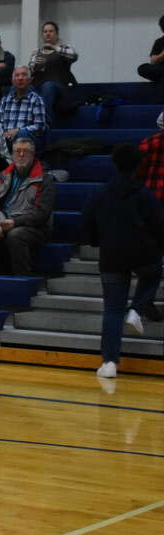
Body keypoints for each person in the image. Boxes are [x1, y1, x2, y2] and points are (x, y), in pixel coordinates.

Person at [82, 143, 164, 379]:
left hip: (111, 256)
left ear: (114, 164)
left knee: (112, 311)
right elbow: (159, 226)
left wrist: (98, 242)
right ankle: (137, 309)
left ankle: (109, 363)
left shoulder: (100, 193)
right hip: (143, 254)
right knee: (154, 271)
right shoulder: (145, 194)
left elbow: (87, 224)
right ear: (139, 165)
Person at [0, 139, 56, 276]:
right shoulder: (3, 176)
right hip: (4, 222)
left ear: (33, 154)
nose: (21, 155)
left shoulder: (45, 179)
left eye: (25, 151)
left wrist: (15, 222)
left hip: (35, 227)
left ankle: (21, 279)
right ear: (12, 154)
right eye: (17, 151)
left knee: (15, 235)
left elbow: (41, 214)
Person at [29, 21, 78, 124]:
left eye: (51, 31)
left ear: (56, 34)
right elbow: (30, 71)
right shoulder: (36, 52)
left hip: (61, 87)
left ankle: (45, 123)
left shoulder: (64, 48)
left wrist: (54, 47)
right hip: (40, 85)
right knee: (19, 87)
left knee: (48, 86)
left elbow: (74, 56)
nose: (47, 33)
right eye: (45, 31)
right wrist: (35, 67)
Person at [0, 66, 48, 155]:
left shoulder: (36, 99)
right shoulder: (5, 100)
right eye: (17, 75)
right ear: (12, 81)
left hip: (27, 139)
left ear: (30, 80)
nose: (20, 78)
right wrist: (4, 134)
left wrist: (18, 131)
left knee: (20, 136)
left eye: (24, 75)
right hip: (6, 139)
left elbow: (40, 126)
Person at [136, 15, 164, 86]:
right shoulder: (159, 41)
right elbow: (153, 62)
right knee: (142, 68)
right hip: (161, 69)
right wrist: (162, 54)